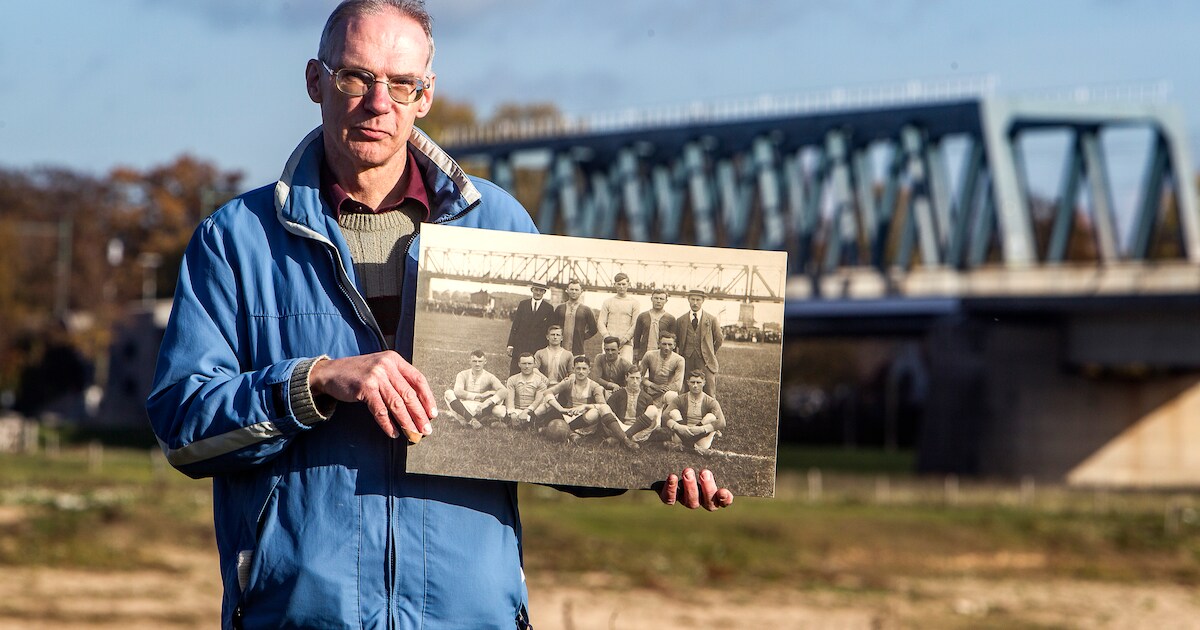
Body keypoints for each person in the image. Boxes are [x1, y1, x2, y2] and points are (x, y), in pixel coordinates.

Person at [145, 2, 732, 628]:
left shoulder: (499, 223)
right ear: (315, 80)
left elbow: (535, 433)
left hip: (468, 614)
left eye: (402, 84)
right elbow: (185, 429)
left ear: (426, 95)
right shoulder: (237, 239)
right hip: (299, 615)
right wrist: (313, 380)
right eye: (355, 77)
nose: (379, 103)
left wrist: (648, 464)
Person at [532, 354, 607, 437]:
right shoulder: (569, 382)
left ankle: (555, 430)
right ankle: (569, 433)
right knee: (547, 401)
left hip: (583, 418)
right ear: (573, 369)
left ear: (589, 370)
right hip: (567, 413)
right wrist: (561, 409)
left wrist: (585, 406)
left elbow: (602, 405)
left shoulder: (595, 386)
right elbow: (547, 392)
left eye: (584, 369)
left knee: (594, 413)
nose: (581, 372)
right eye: (578, 368)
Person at [597, 365, 662, 450]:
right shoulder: (617, 394)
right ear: (626, 378)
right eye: (632, 378)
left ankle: (620, 439)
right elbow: (609, 416)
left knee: (653, 409)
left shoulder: (647, 397)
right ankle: (627, 441)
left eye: (637, 378)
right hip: (619, 427)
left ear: (641, 379)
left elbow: (649, 420)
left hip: (637, 430)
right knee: (604, 407)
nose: (635, 381)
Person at [664, 370, 728, 454]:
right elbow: (664, 415)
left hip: (700, 435)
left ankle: (687, 445)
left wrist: (701, 429)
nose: (695, 385)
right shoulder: (680, 399)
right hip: (683, 431)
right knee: (674, 412)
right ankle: (691, 446)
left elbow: (722, 422)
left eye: (698, 382)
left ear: (704, 383)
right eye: (692, 382)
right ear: (688, 383)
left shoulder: (710, 401)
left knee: (710, 417)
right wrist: (679, 427)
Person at [675, 288, 723, 396]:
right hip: (686, 360)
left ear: (703, 301)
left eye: (698, 300)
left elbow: (719, 339)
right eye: (692, 299)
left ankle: (709, 412)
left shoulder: (711, 319)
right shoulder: (680, 320)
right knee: (685, 389)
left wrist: (710, 352)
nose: (695, 303)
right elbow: (676, 340)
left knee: (708, 389)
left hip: (705, 361)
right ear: (688, 300)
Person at [444, 349, 507, 429]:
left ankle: (468, 421)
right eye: (474, 361)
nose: (477, 364)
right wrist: (479, 396)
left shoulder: (489, 376)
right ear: (470, 361)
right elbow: (458, 392)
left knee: (499, 405)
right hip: (463, 406)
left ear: (485, 362)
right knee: (448, 393)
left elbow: (504, 391)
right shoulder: (462, 374)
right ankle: (472, 420)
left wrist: (486, 403)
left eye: (480, 361)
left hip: (480, 408)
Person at [506, 280, 555, 375]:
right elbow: (515, 325)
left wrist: (549, 347)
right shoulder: (523, 304)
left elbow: (549, 330)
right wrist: (511, 344)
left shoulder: (549, 308)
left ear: (544, 292)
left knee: (535, 373)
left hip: (538, 346)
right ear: (532, 290)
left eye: (541, 291)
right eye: (536, 290)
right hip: (520, 345)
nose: (538, 293)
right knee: (515, 371)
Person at [597, 272, 639, 364]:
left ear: (628, 284)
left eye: (623, 284)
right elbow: (601, 322)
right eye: (619, 284)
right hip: (609, 343)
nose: (621, 287)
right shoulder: (608, 302)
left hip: (626, 343)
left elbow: (635, 324)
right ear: (614, 285)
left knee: (625, 367)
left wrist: (625, 339)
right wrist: (607, 337)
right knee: (607, 368)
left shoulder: (634, 303)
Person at [639, 331, 685, 411]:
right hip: (649, 391)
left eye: (670, 344)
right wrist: (653, 386)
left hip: (666, 392)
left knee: (672, 395)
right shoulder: (649, 355)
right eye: (664, 344)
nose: (667, 347)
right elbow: (639, 376)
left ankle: (666, 417)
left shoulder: (679, 360)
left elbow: (678, 386)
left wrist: (662, 389)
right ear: (658, 344)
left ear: (674, 346)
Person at [553, 278, 597, 356]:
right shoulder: (560, 308)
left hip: (578, 350)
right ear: (567, 290)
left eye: (576, 290)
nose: (574, 292)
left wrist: (582, 337)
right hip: (559, 350)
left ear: (581, 291)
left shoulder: (586, 310)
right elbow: (553, 326)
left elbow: (593, 329)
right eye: (572, 289)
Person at [504, 352, 548, 429]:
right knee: (499, 411)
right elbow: (510, 399)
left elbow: (537, 401)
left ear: (534, 365)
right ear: (519, 364)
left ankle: (533, 422)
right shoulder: (512, 379)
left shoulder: (540, 380)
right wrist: (513, 413)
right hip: (517, 409)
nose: (527, 366)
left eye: (529, 363)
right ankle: (513, 421)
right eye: (524, 363)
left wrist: (526, 411)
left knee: (543, 407)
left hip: (532, 411)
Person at [632, 288, 676, 362]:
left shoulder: (670, 319)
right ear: (651, 299)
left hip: (662, 353)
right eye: (656, 298)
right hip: (644, 352)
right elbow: (637, 335)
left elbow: (673, 339)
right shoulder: (642, 316)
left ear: (666, 301)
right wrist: (636, 351)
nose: (658, 301)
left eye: (661, 299)